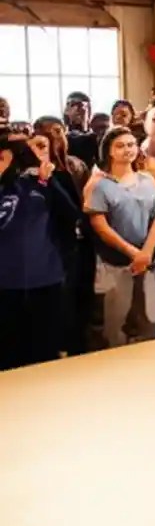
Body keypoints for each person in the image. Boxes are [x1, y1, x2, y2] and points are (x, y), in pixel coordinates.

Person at [0, 130, 77, 370]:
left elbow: (70, 213)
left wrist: (48, 180)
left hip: (44, 276)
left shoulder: (36, 182)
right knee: (10, 349)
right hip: (5, 281)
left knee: (44, 347)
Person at [84, 126, 155, 347]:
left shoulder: (147, 179)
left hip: (148, 262)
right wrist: (133, 253)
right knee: (115, 323)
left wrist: (146, 252)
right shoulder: (99, 184)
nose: (127, 150)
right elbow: (100, 226)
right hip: (115, 263)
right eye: (120, 146)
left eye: (131, 144)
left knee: (150, 318)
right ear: (109, 151)